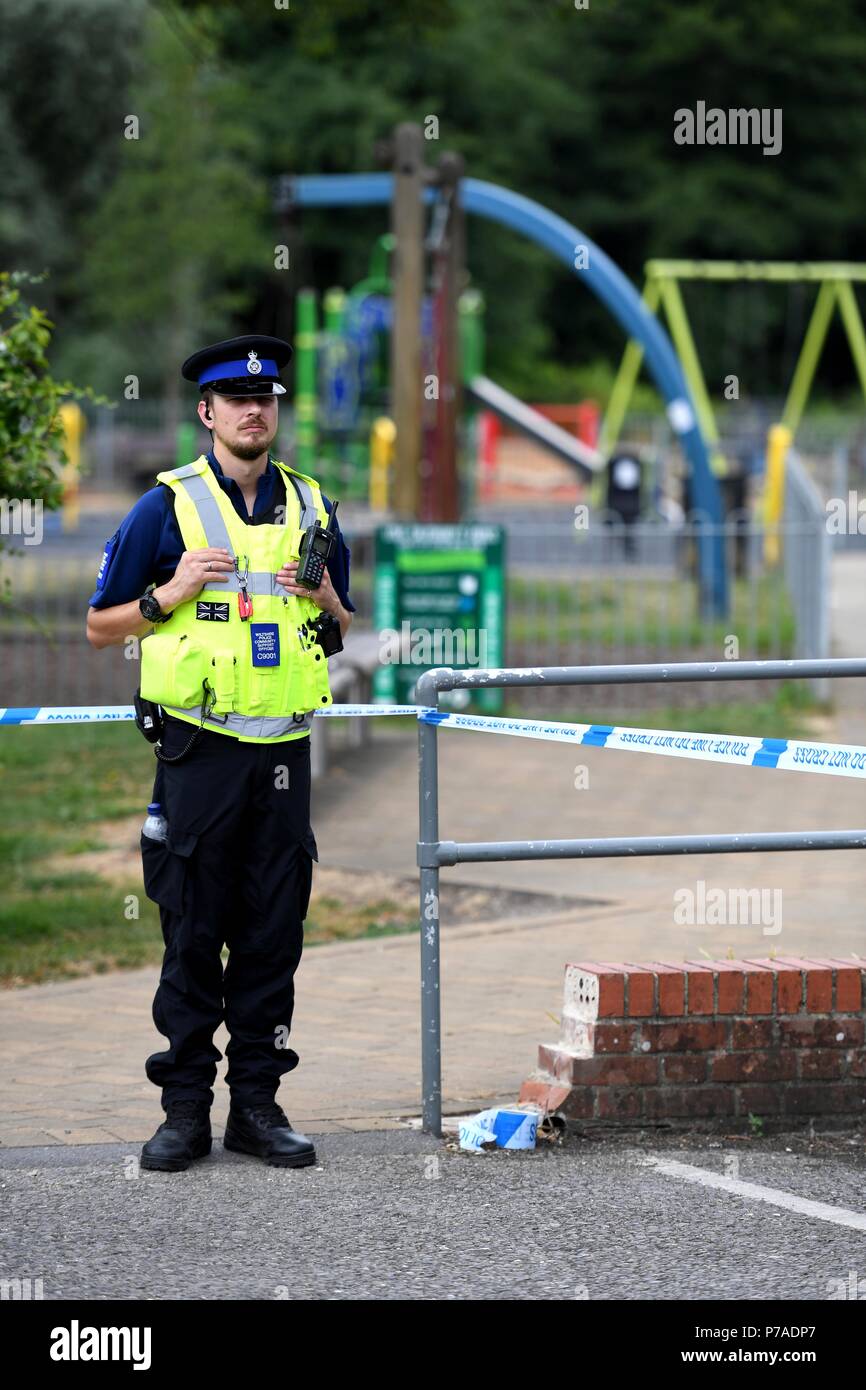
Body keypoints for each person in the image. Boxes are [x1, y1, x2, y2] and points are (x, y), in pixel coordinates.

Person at [86, 335, 355, 1172]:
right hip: (199, 757)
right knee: (194, 936)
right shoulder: (164, 508)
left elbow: (342, 625)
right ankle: (183, 1114)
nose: (254, 411)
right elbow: (100, 626)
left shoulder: (313, 506)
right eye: (237, 401)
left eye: (267, 400)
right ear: (206, 414)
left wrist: (327, 596)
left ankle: (258, 1110)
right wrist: (167, 595)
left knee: (274, 936)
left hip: (285, 761)